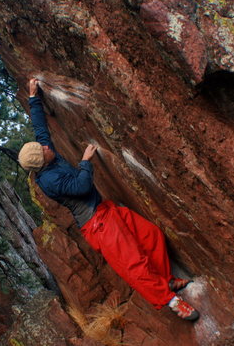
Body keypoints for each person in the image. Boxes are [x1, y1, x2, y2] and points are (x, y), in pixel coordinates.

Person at [18, 78, 199, 321]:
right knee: (134, 264)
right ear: (41, 162)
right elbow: (81, 186)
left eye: (43, 147)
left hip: (105, 211)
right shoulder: (49, 181)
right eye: (43, 150)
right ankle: (172, 302)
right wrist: (85, 161)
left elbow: (40, 127)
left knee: (150, 235)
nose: (46, 147)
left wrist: (33, 96)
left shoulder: (46, 156)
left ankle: (166, 281)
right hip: (97, 225)